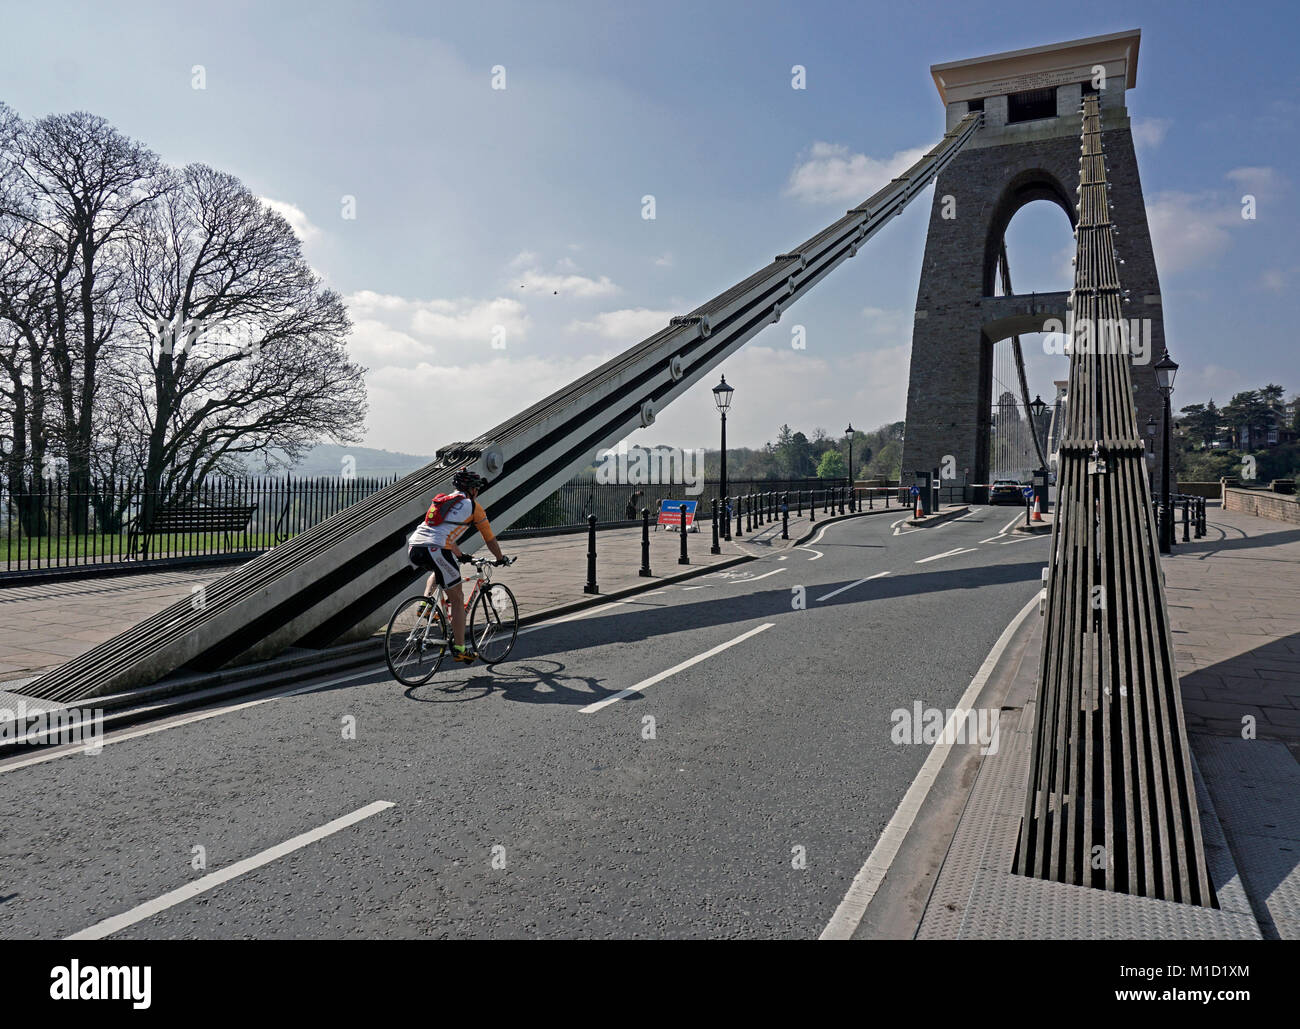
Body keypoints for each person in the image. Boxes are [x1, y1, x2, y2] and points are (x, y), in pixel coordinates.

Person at [407, 468, 509, 665]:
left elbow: (441, 532)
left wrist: (460, 555)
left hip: (415, 547)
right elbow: (489, 538)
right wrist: (500, 558)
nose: (477, 492)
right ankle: (461, 649)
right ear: (471, 489)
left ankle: (427, 605)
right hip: (436, 549)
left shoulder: (442, 502)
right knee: (458, 598)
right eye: (476, 489)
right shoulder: (473, 507)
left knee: (440, 570)